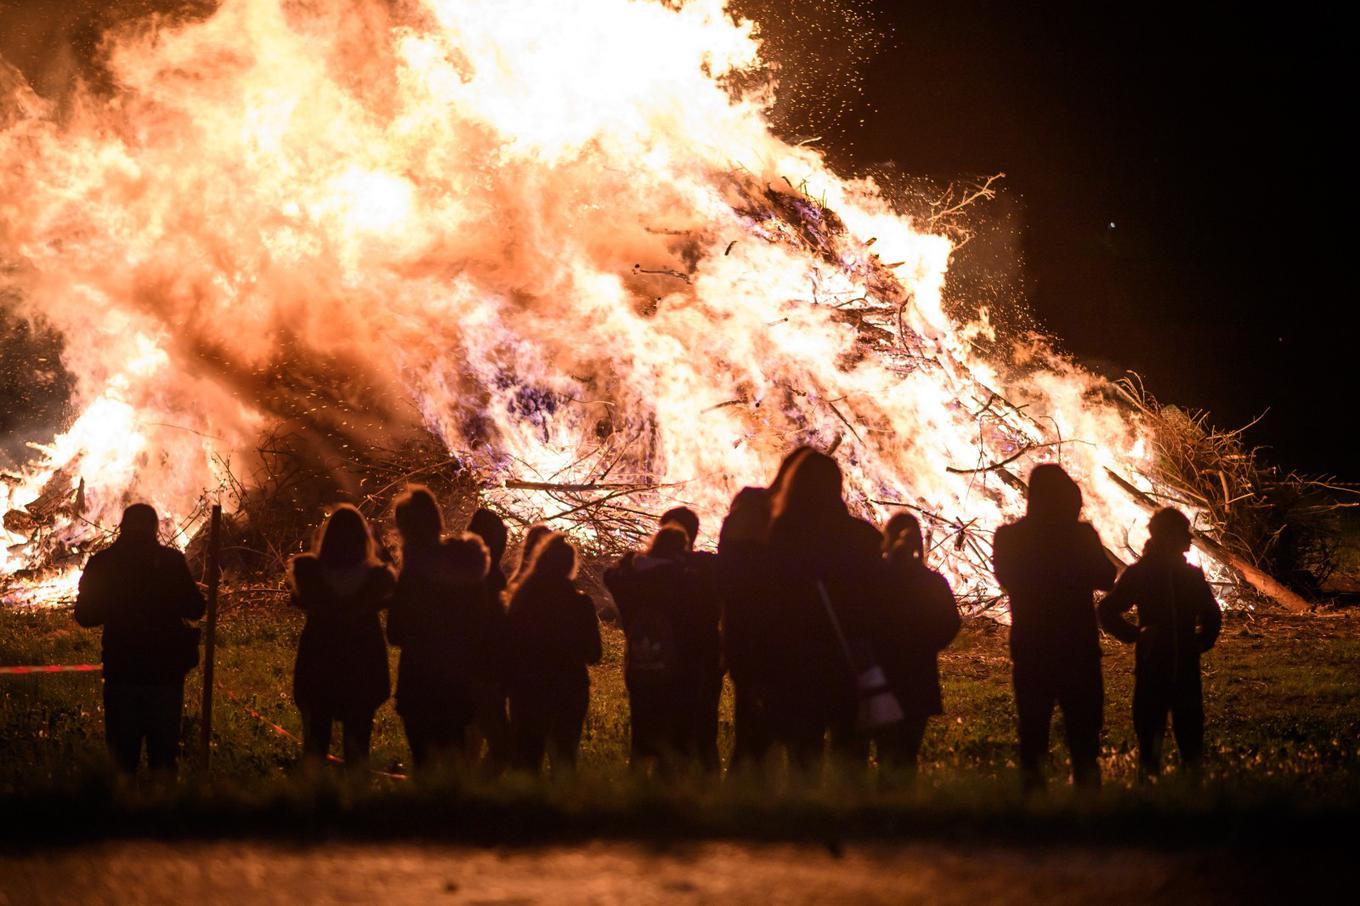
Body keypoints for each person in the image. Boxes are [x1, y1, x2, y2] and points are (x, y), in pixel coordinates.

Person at [992, 464, 1116, 793]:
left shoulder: (1009, 537)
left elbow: (1007, 579)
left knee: (1033, 728)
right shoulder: (1080, 536)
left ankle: (1033, 804)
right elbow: (1107, 576)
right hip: (1077, 647)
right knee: (1084, 730)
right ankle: (1086, 801)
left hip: (1032, 646)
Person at [764, 450, 883, 772]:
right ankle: (851, 815)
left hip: (798, 661)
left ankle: (806, 814)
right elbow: (879, 599)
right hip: (851, 656)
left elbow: (770, 602)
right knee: (851, 751)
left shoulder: (779, 538)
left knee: (803, 753)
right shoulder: (864, 537)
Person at [74, 503, 204, 779]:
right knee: (164, 758)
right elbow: (195, 609)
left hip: (122, 670)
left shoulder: (103, 562)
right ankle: (164, 817)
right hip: (165, 673)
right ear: (155, 529)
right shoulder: (170, 561)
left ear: (122, 527)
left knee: (122, 760)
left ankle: (122, 816)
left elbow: (85, 615)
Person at [1098, 507, 1222, 780]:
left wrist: (1201, 641)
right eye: (1182, 532)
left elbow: (1211, 614)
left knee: (1188, 723)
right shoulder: (1143, 573)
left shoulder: (1188, 575)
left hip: (1182, 659)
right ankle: (1151, 781)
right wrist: (1136, 634)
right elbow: (1107, 610)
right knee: (1150, 722)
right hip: (1154, 660)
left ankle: (1190, 782)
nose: (1189, 538)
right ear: (1168, 536)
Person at [387, 488, 492, 771]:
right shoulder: (463, 560)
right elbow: (481, 622)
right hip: (458, 679)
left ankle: (428, 809)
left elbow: (395, 633)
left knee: (424, 762)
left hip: (419, 680)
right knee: (455, 758)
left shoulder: (411, 575)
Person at [288, 505, 394, 774]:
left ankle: (312, 804)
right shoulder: (377, 579)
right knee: (358, 746)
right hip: (362, 670)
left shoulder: (309, 574)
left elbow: (301, 600)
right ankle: (355, 806)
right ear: (364, 539)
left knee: (314, 744)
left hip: (318, 668)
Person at [605, 525, 712, 774]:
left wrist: (634, 559)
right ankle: (671, 787)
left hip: (642, 663)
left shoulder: (632, 578)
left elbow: (611, 575)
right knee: (677, 730)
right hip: (681, 666)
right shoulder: (683, 579)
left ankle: (639, 784)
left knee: (643, 725)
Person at [873, 512, 960, 783]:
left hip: (881, 676)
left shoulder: (873, 581)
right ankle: (905, 807)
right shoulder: (932, 582)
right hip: (918, 674)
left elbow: (858, 621)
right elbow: (950, 623)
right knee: (908, 751)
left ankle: (885, 809)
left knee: (886, 750)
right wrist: (928, 645)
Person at [505, 533, 602, 775]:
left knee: (526, 761)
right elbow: (594, 653)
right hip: (568, 689)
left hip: (527, 690)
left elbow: (509, 645)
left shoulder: (522, 600)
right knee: (564, 761)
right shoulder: (580, 604)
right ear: (571, 566)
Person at [657, 506, 724, 772]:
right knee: (705, 725)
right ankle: (708, 783)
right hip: (706, 655)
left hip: (671, 657)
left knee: (671, 725)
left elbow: (617, 576)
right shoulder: (709, 566)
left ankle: (669, 783)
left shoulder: (657, 573)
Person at [716, 486, 776, 772]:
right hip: (770, 638)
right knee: (768, 707)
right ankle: (759, 765)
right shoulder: (772, 549)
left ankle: (744, 764)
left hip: (738, 637)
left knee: (747, 701)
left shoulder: (730, 544)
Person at [466, 506, 512, 771]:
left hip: (463, 672)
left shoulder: (453, 571)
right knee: (500, 745)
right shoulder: (489, 578)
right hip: (483, 675)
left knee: (470, 741)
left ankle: (464, 790)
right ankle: (471, 794)